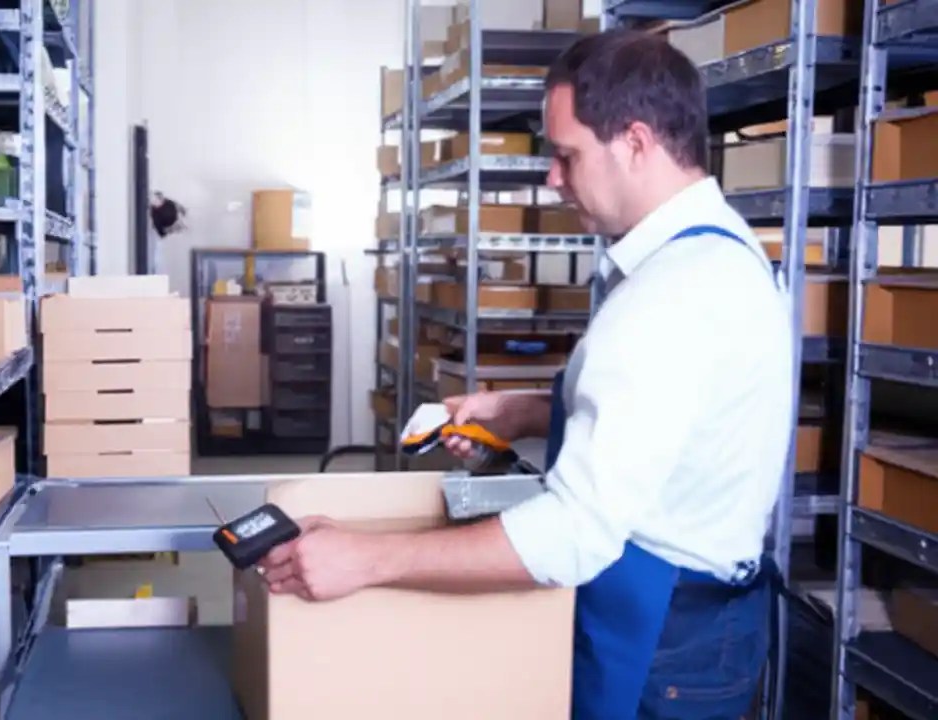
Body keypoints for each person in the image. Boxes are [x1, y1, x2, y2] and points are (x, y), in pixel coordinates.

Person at [258, 29, 793, 720]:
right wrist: (526, 410)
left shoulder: (671, 297)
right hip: (695, 616)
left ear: (636, 142)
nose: (553, 178)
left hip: (664, 639)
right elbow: (670, 420)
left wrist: (367, 559)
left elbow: (573, 535)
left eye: (567, 155)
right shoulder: (717, 249)